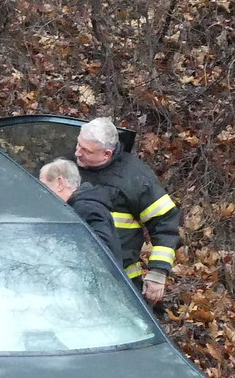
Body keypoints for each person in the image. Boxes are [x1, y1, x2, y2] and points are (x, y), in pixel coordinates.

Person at [75, 117, 180, 305]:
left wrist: (157, 273)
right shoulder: (70, 164)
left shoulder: (135, 178)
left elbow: (166, 223)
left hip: (119, 278)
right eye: (78, 145)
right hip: (71, 273)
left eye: (86, 150)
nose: (77, 153)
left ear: (106, 154)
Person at [38, 158, 121, 264]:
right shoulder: (77, 207)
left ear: (60, 183)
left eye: (43, 186)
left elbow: (103, 250)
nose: (41, 193)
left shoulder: (86, 208)